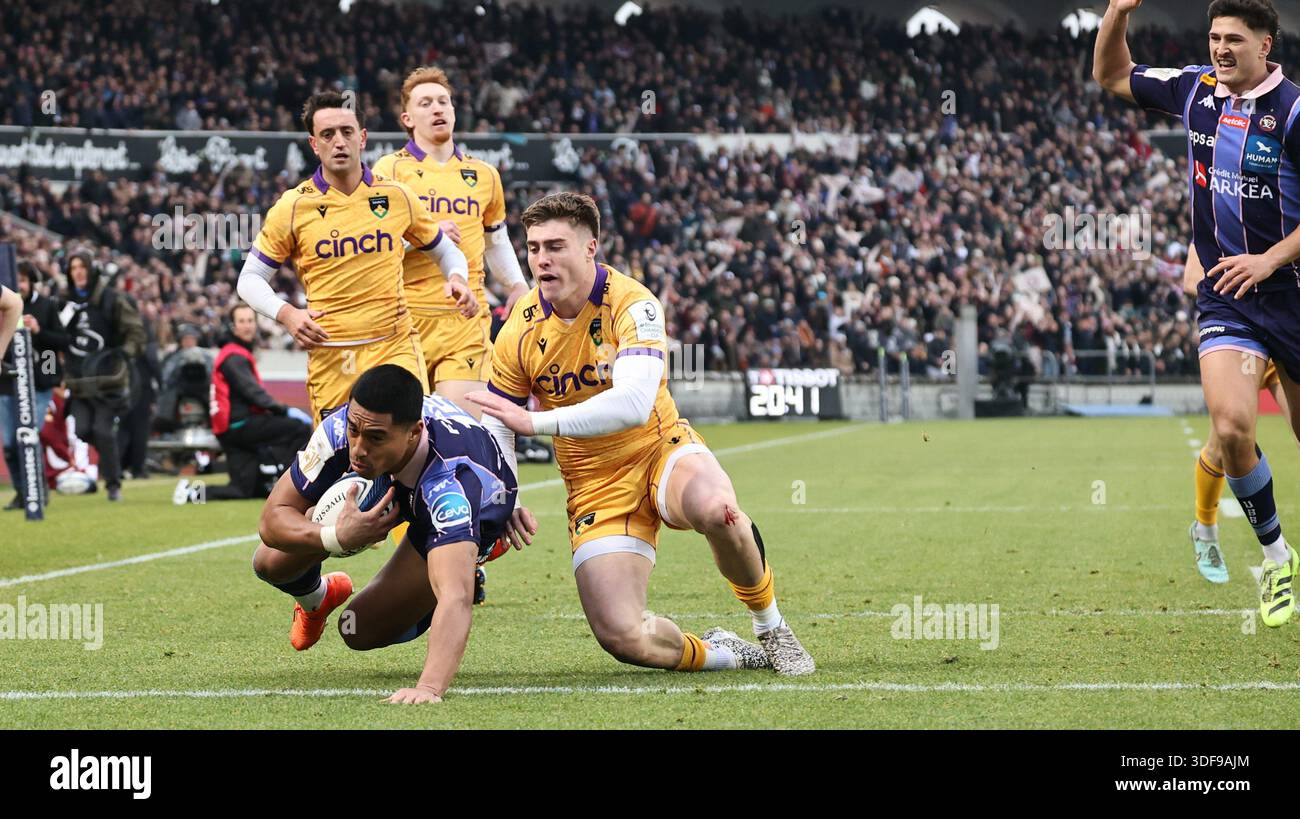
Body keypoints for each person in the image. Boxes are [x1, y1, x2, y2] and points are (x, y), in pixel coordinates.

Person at [468, 192, 815, 675]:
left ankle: (770, 625)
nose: (541, 259)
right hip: (594, 485)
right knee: (623, 637)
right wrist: (506, 494)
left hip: (659, 448)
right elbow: (496, 422)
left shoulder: (633, 304)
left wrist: (536, 422)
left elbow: (632, 405)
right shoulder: (519, 330)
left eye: (555, 246)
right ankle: (728, 654)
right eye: (533, 248)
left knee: (720, 512)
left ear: (591, 247)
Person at [1095, 0, 1300, 625]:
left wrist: (1269, 260)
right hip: (1228, 299)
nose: (1220, 49)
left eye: (1234, 39)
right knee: (1233, 427)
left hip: (1290, 292)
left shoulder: (1293, 111)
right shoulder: (1195, 91)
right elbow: (1112, 75)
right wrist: (1116, 12)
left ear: (1266, 47)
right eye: (1214, 37)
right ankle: (1276, 559)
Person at [252, 365, 536, 703]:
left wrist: (429, 688)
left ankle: (470, 552)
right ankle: (317, 596)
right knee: (270, 561)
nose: (357, 448)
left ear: (414, 432)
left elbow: (456, 597)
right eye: (354, 430)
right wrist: (336, 536)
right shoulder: (342, 429)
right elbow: (273, 520)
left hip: (470, 500)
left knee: (356, 629)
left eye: (374, 437)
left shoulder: (449, 487)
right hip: (396, 474)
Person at [373, 65, 531, 604]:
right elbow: (379, 242)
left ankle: (465, 545)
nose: (437, 108)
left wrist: (519, 290)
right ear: (406, 116)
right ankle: (431, 557)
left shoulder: (482, 175)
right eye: (426, 102)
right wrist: (433, 246)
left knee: (457, 430)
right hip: (405, 321)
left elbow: (497, 240)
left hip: (466, 320)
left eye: (444, 100)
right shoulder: (388, 172)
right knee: (407, 446)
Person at [236, 90, 475, 423]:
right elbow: (249, 279)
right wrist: (287, 313)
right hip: (333, 355)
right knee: (341, 461)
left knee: (411, 446)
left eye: (347, 132)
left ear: (362, 138)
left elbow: (444, 249)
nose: (339, 142)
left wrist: (457, 278)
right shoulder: (292, 207)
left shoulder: (396, 195)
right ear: (313, 144)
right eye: (327, 134)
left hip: (395, 346)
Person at [1183, 247, 1296, 582]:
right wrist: (1242, 276)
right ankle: (1205, 529)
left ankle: (1278, 558)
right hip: (1238, 338)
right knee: (1224, 442)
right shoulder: (1219, 222)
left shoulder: (1285, 220)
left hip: (1284, 335)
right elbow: (1192, 280)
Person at [174, 304, 311, 503]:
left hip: (229, 432)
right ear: (233, 326)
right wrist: (285, 410)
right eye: (242, 321)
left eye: (250, 321)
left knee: (242, 489)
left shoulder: (233, 352)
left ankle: (191, 493)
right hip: (240, 425)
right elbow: (254, 393)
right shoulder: (234, 356)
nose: (247, 326)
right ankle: (290, 484)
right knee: (298, 428)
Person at [60, 252, 145, 502]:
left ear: (91, 270)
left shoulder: (112, 300)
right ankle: (112, 460)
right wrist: (52, 372)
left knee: (103, 430)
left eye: (82, 267)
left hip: (107, 381)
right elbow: (52, 337)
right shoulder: (64, 303)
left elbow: (135, 332)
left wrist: (124, 355)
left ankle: (112, 484)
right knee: (83, 430)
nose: (78, 272)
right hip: (78, 381)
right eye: (73, 268)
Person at [1, 263, 70, 510]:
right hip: (7, 383)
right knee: (9, 443)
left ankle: (38, 489)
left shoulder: (46, 306)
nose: (19, 285)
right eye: (15, 280)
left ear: (31, 282)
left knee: (31, 435)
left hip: (38, 386)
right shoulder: (3, 305)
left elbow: (59, 344)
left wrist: (39, 333)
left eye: (23, 280)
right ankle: (22, 491)